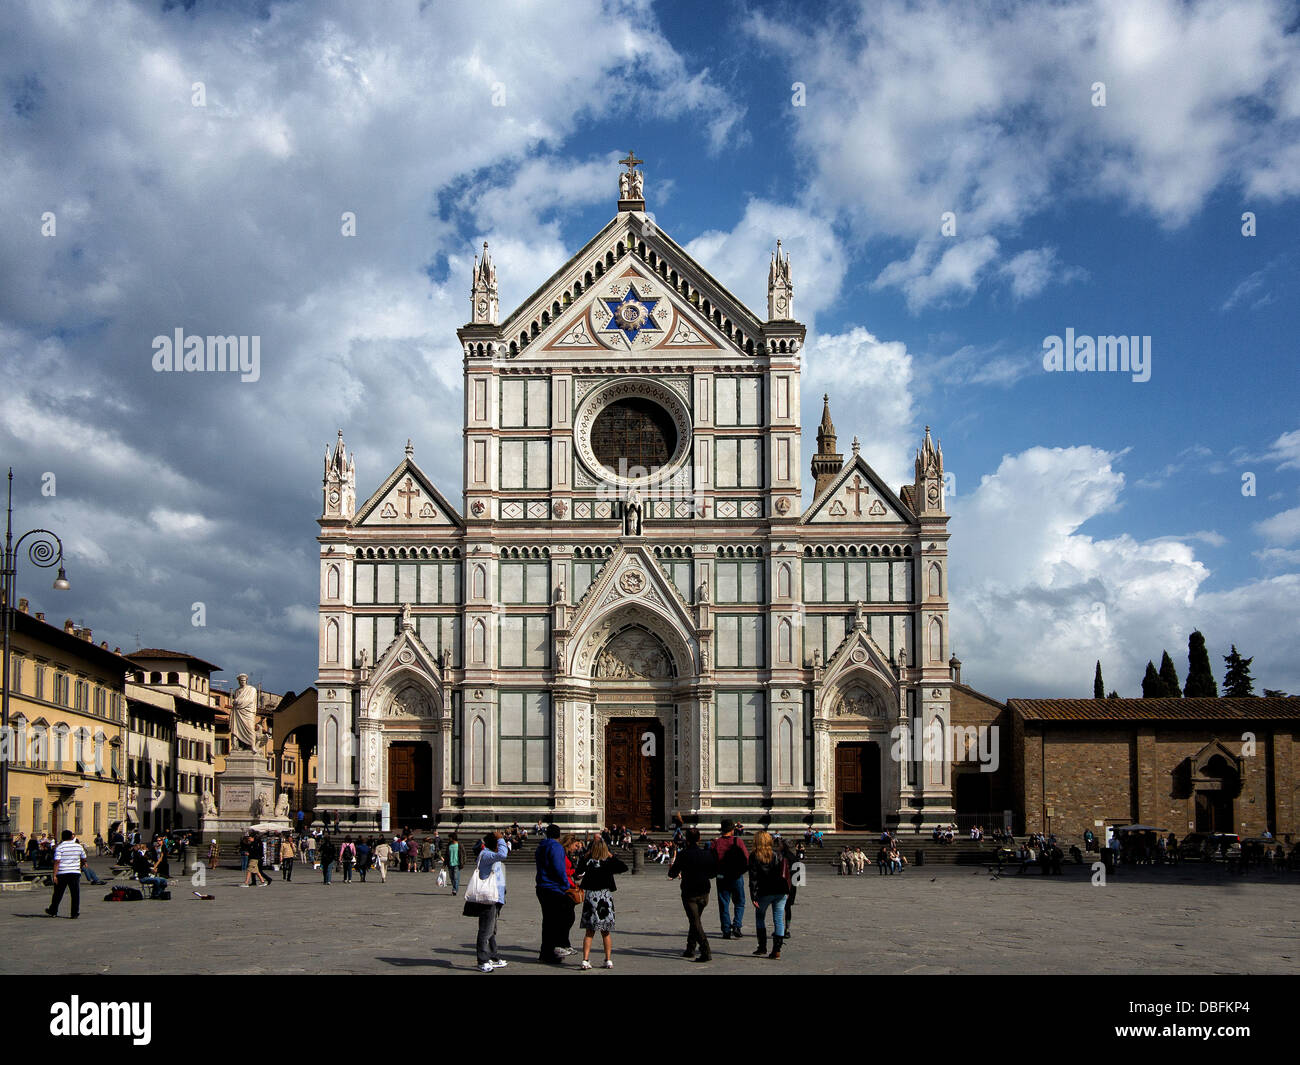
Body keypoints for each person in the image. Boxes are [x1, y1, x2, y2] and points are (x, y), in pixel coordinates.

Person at [576, 837, 628, 969]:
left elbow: (578, 872)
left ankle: (585, 960)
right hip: (604, 897)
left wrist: (586, 856)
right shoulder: (607, 862)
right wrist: (611, 856)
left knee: (589, 931)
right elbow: (624, 867)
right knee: (606, 931)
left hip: (591, 897)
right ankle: (608, 959)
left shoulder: (588, 861)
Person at [668, 827, 717, 963]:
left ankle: (705, 950)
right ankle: (690, 948)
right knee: (694, 920)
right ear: (699, 839)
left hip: (690, 893)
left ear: (686, 839)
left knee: (695, 921)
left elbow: (672, 873)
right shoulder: (706, 854)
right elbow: (713, 872)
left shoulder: (683, 854)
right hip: (704, 892)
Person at [466, 830, 511, 972]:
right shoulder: (486, 855)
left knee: (491, 930)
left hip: (496, 898)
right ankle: (482, 960)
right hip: (488, 898)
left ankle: (493, 956)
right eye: (499, 844)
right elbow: (503, 854)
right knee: (485, 930)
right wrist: (501, 838)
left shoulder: (490, 855)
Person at [748, 831, 791, 960]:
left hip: (764, 891)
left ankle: (762, 947)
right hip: (780, 890)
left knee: (760, 917)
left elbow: (753, 878)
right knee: (778, 919)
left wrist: (753, 896)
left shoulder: (754, 856)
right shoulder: (777, 854)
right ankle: (777, 950)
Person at [535, 824, 574, 965]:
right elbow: (559, 868)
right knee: (562, 918)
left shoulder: (541, 846)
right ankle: (557, 948)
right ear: (559, 835)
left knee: (548, 921)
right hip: (554, 888)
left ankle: (546, 953)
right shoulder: (556, 847)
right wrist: (566, 885)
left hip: (542, 887)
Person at [711, 819, 749, 939]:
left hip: (721, 877)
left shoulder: (716, 842)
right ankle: (737, 925)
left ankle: (726, 930)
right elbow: (746, 858)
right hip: (736, 876)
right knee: (740, 902)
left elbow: (711, 860)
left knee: (724, 903)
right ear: (732, 830)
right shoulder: (738, 841)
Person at [45, 830, 85, 919]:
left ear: (62, 837)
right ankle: (74, 913)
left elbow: (57, 861)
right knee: (75, 893)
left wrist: (54, 875)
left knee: (58, 893)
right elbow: (83, 858)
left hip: (62, 872)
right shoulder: (78, 846)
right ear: (71, 837)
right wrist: (80, 866)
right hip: (74, 872)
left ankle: (53, 911)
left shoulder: (60, 847)